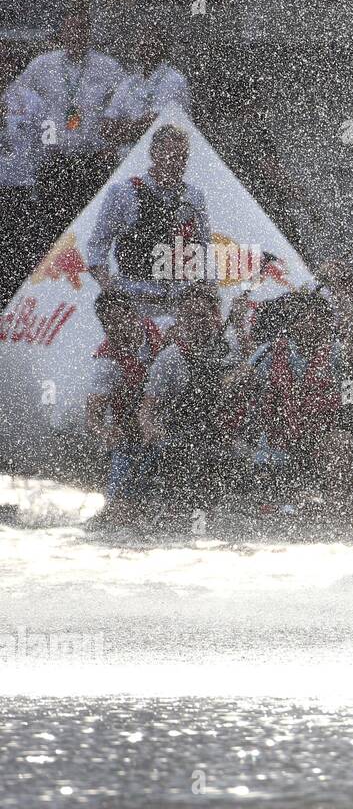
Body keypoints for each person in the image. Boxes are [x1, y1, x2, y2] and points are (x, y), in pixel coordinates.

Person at [241, 290, 353, 530]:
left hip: (320, 433)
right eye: (303, 317)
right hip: (277, 431)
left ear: (325, 323)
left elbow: (350, 398)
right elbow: (243, 382)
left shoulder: (338, 354)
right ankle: (274, 506)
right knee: (260, 450)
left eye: (316, 318)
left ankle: (339, 512)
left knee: (341, 443)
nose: (309, 323)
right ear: (292, 323)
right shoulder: (269, 352)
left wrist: (340, 419)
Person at [12, 12, 124, 252]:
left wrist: (111, 142)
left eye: (82, 30)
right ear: (62, 33)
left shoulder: (107, 67)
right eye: (71, 30)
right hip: (54, 159)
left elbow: (120, 106)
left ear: (89, 34)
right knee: (53, 223)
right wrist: (40, 137)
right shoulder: (43, 65)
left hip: (91, 159)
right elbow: (19, 97)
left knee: (89, 220)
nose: (76, 35)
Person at [138, 288, 251, 520]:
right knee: (179, 454)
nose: (195, 322)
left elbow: (256, 368)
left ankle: (221, 513)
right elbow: (147, 409)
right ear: (180, 319)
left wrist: (240, 326)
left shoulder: (231, 347)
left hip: (224, 432)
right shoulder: (169, 357)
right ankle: (175, 512)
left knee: (232, 458)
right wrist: (150, 429)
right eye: (188, 316)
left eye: (201, 315)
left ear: (215, 316)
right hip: (181, 432)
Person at [86, 123, 213, 317]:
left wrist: (204, 290)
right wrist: (107, 286)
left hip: (178, 304)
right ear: (155, 154)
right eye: (171, 156)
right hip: (136, 301)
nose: (176, 164)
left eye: (182, 158)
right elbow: (98, 244)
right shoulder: (124, 192)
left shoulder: (193, 197)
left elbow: (204, 248)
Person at [84, 288, 166, 528]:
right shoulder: (106, 362)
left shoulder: (163, 328)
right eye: (107, 324)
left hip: (168, 429)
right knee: (120, 520)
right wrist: (105, 432)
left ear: (133, 315)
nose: (113, 330)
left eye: (117, 321)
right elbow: (91, 420)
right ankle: (117, 516)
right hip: (131, 441)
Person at [102, 31, 191, 160]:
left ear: (163, 47)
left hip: (163, 160)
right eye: (143, 44)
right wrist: (134, 127)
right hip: (126, 158)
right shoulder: (130, 82)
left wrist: (122, 128)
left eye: (152, 44)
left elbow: (154, 126)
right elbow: (106, 126)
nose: (147, 49)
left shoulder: (174, 80)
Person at [0, 83, 42, 306]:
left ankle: (15, 303)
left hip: (21, 187)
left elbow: (45, 140)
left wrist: (35, 171)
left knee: (18, 251)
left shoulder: (30, 100)